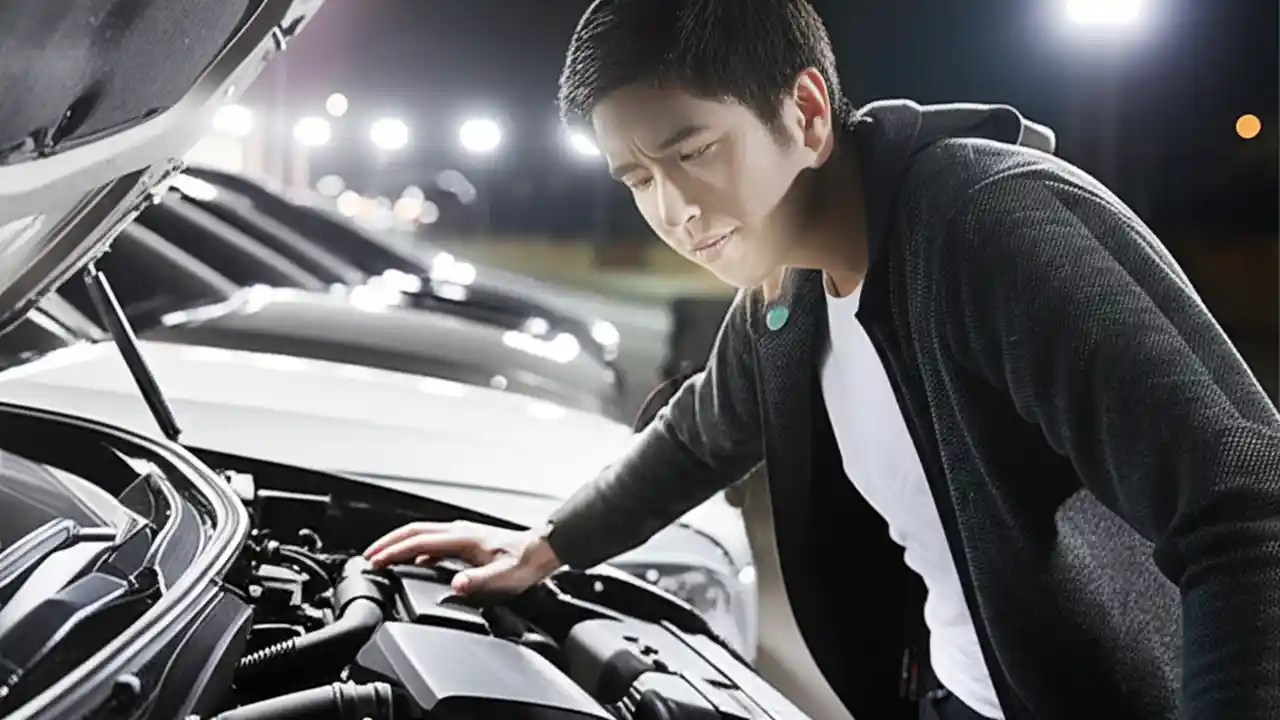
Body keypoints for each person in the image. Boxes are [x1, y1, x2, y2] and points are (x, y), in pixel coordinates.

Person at [363, 1, 1280, 718]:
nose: (676, 209)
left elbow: (1245, 512)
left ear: (804, 113)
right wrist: (546, 547)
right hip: (954, 691)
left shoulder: (984, 227)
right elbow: (698, 436)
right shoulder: (788, 283)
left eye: (695, 150)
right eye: (638, 178)